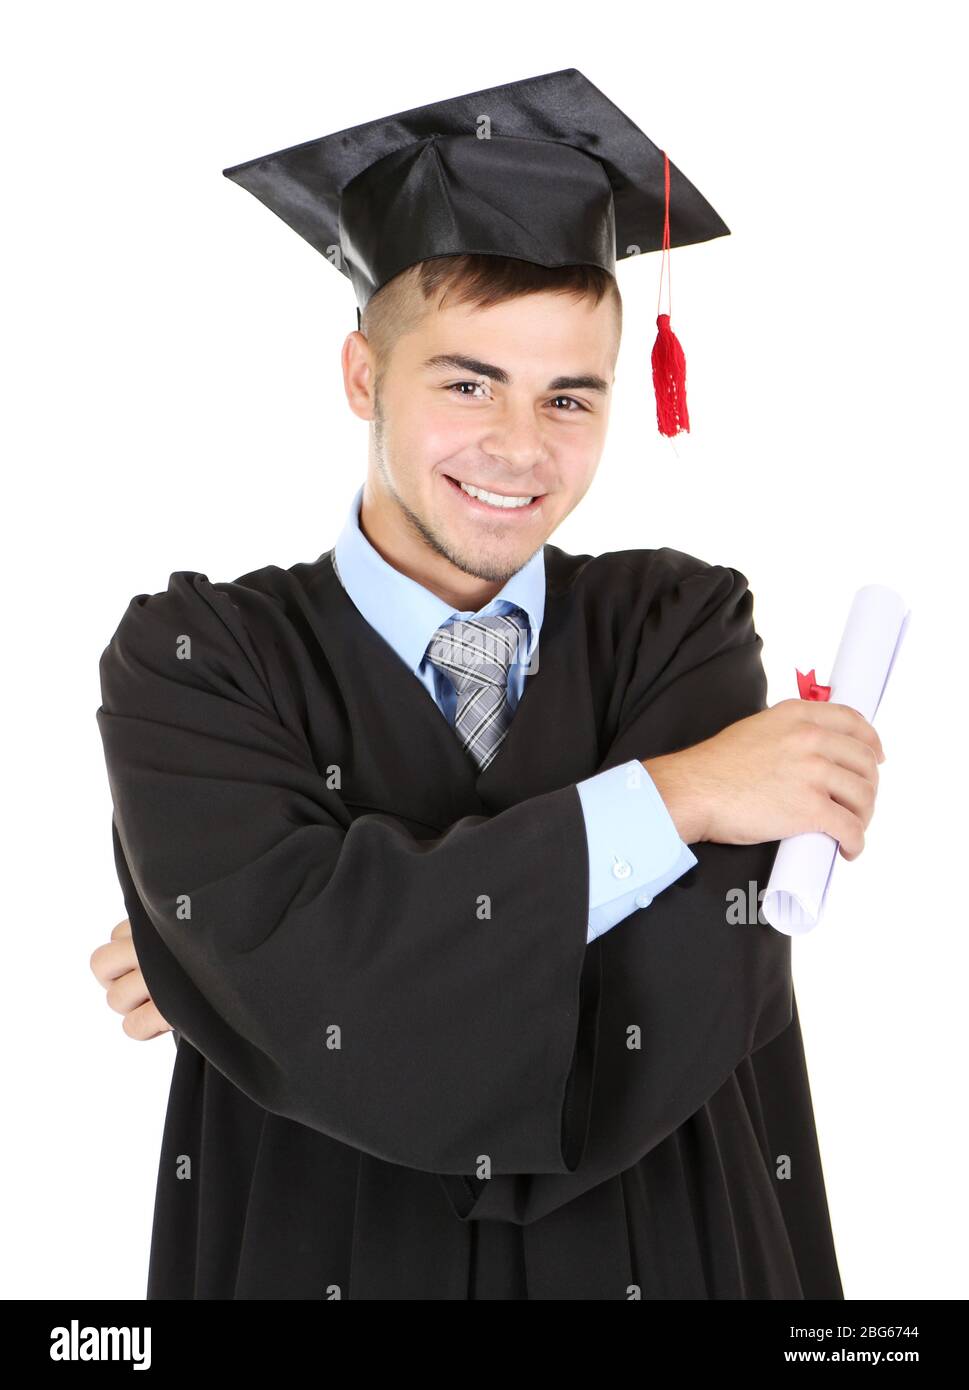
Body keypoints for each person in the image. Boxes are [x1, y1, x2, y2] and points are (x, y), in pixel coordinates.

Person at [90, 69, 883, 1300]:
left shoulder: (679, 626)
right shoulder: (197, 661)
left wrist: (253, 979)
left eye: (571, 395)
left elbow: (676, 1009)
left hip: (670, 1255)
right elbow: (320, 982)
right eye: (467, 382)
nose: (522, 448)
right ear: (362, 376)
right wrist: (672, 799)